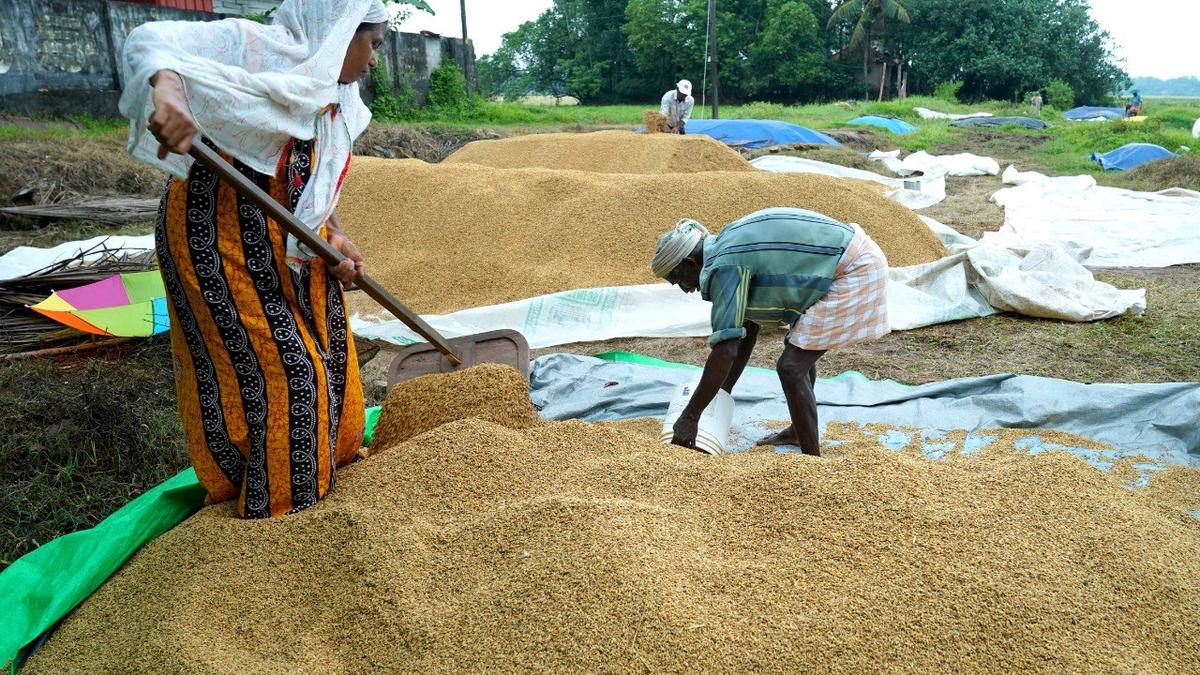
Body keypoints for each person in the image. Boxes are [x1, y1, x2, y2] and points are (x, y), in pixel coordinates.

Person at [119, 0, 387, 518]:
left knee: (336, 370)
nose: (374, 60)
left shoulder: (338, 97)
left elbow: (312, 177)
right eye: (372, 44)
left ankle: (324, 468)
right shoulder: (255, 49)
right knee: (290, 375)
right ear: (341, 31)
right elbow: (147, 40)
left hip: (292, 240)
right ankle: (279, 514)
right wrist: (169, 91)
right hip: (218, 236)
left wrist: (335, 236)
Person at [651, 208, 890, 456]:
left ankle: (813, 464)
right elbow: (746, 332)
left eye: (679, 280)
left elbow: (725, 351)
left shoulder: (726, 265)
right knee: (798, 351)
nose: (685, 289)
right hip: (848, 257)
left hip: (855, 269)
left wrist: (690, 417)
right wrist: (721, 396)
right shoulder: (726, 246)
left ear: (690, 263)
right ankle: (799, 431)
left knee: (791, 367)